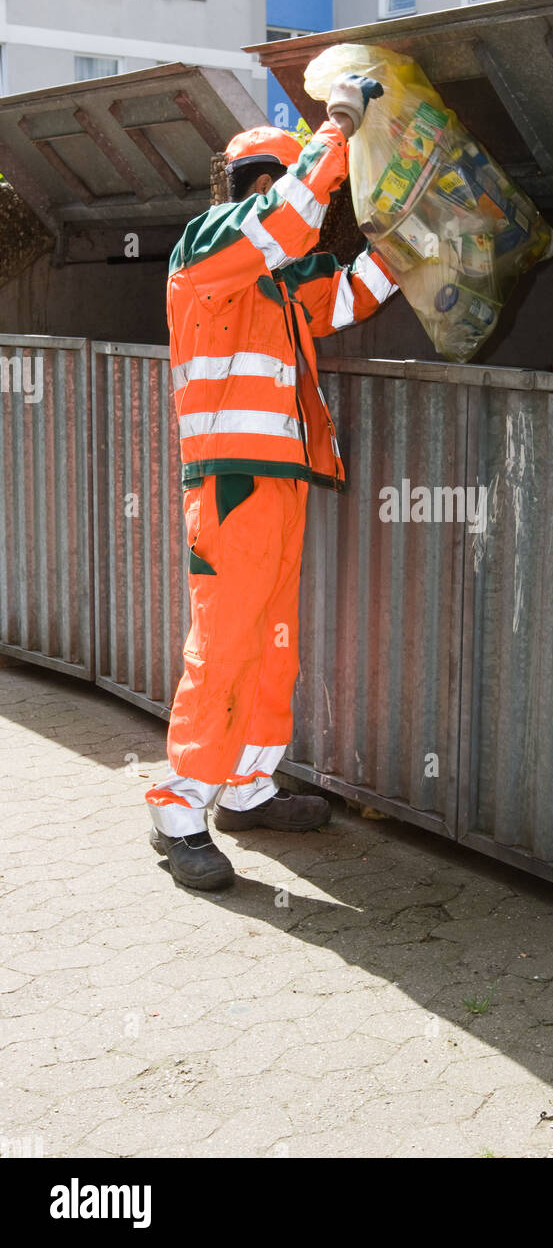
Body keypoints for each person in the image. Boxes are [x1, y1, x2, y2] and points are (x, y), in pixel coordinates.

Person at [146, 73, 398, 890]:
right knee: (223, 644)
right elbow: (285, 220)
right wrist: (338, 127)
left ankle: (247, 788)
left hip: (279, 483)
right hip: (230, 485)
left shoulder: (279, 283)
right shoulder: (210, 248)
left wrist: (411, 244)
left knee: (272, 644)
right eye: (294, 191)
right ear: (262, 185)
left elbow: (350, 294)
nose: (316, 214)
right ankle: (178, 805)